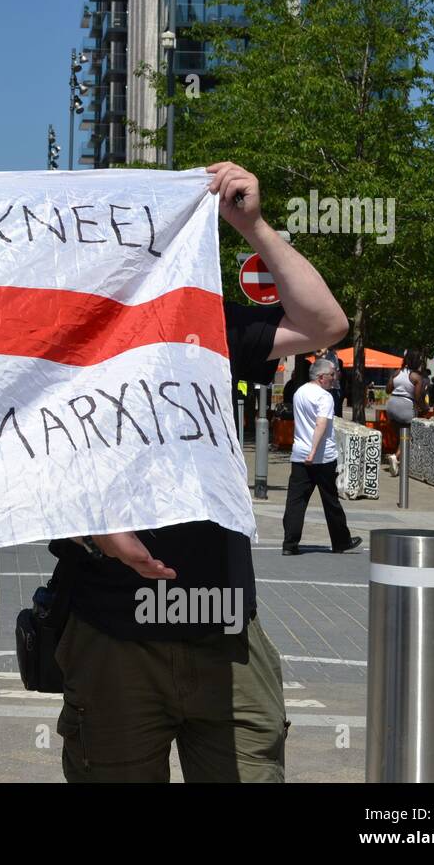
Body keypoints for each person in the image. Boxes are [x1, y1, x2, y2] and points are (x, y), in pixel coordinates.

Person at [55, 162, 349, 783]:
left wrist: (253, 226)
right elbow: (20, 463)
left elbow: (327, 325)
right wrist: (94, 529)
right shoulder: (61, 341)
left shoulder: (208, 327)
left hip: (225, 630)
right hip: (114, 632)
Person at [280, 359, 362, 556]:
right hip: (322, 456)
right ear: (321, 377)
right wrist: (313, 451)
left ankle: (289, 544)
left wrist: (307, 452)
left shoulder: (300, 392)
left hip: (299, 455)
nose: (334, 378)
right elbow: (321, 424)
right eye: (332, 375)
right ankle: (341, 541)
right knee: (330, 501)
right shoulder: (325, 397)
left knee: (296, 501)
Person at [383, 350, 425, 475]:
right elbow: (417, 398)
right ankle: (395, 457)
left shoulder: (396, 373)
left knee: (401, 437)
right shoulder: (416, 377)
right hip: (406, 406)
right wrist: (424, 408)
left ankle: (397, 465)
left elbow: (388, 390)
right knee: (407, 437)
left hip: (392, 405)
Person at [314, 347, 343, 417]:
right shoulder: (319, 352)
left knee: (333, 415)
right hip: (324, 389)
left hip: (332, 389)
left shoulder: (332, 354)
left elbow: (336, 375)